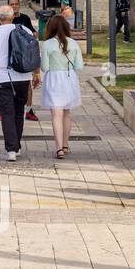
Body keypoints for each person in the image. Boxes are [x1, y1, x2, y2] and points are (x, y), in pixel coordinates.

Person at [0, 5, 39, 162]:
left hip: (3, 78)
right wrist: (36, 73)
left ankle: (11, 149)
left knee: (7, 113)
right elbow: (34, 53)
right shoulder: (25, 30)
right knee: (19, 112)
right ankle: (17, 145)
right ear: (13, 16)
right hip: (23, 77)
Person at [38, 13, 83, 160]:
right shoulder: (73, 43)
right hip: (69, 79)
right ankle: (65, 144)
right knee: (67, 113)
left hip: (54, 79)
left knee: (56, 114)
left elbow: (44, 67)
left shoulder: (48, 44)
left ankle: (58, 148)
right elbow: (79, 66)